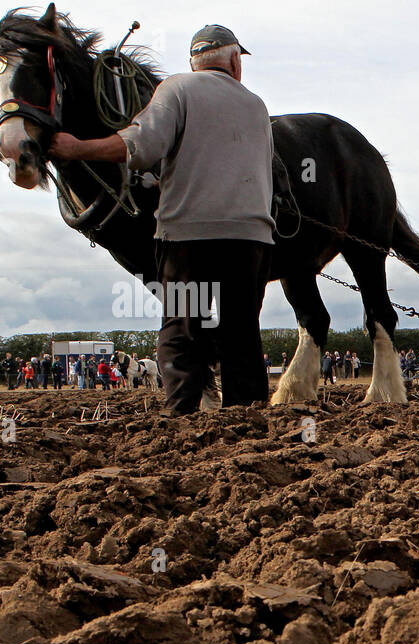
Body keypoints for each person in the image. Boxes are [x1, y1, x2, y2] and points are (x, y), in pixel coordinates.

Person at [50, 24, 274, 414]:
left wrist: (77, 147)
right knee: (241, 331)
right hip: (251, 239)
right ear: (235, 60)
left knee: (183, 328)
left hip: (189, 239)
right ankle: (248, 420)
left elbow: (139, 145)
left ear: (193, 61)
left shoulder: (176, 89)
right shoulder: (256, 105)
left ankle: (182, 419)